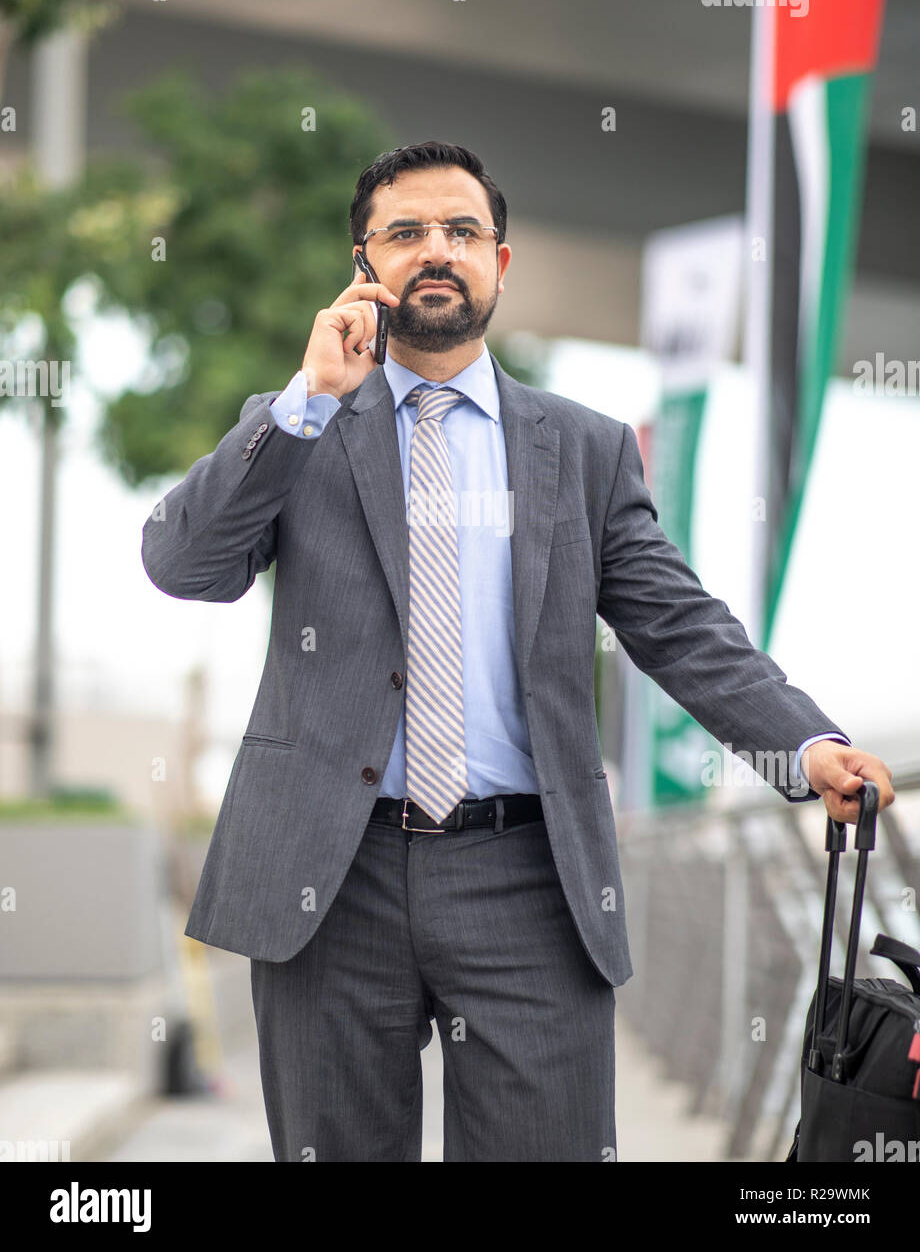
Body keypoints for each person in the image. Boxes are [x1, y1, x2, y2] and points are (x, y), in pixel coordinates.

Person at [141, 140, 895, 1163]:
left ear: (503, 262)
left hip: (528, 874)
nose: (435, 251)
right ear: (362, 265)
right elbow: (185, 565)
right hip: (329, 873)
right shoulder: (302, 426)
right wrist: (305, 399)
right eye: (403, 233)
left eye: (461, 231)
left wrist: (800, 747)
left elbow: (673, 620)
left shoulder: (580, 449)